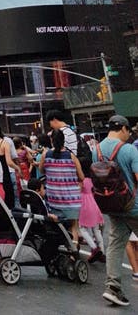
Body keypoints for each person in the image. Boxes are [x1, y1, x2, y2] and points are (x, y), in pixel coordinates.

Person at [95, 115, 138, 308]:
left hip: (111, 206)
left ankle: (112, 288)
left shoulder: (97, 150)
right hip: (133, 206)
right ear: (123, 129)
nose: (128, 135)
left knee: (115, 244)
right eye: (128, 131)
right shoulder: (129, 149)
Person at [41, 128, 84, 242]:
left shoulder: (46, 155)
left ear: (51, 140)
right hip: (71, 198)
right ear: (64, 140)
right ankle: (73, 252)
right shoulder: (71, 156)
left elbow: (41, 171)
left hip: (54, 198)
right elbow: (81, 177)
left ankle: (63, 250)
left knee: (58, 226)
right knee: (73, 227)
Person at [78, 172, 105, 263]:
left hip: (84, 205)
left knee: (83, 229)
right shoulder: (92, 180)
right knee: (96, 230)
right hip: (94, 204)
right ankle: (102, 251)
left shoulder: (81, 180)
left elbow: (78, 190)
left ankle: (94, 248)